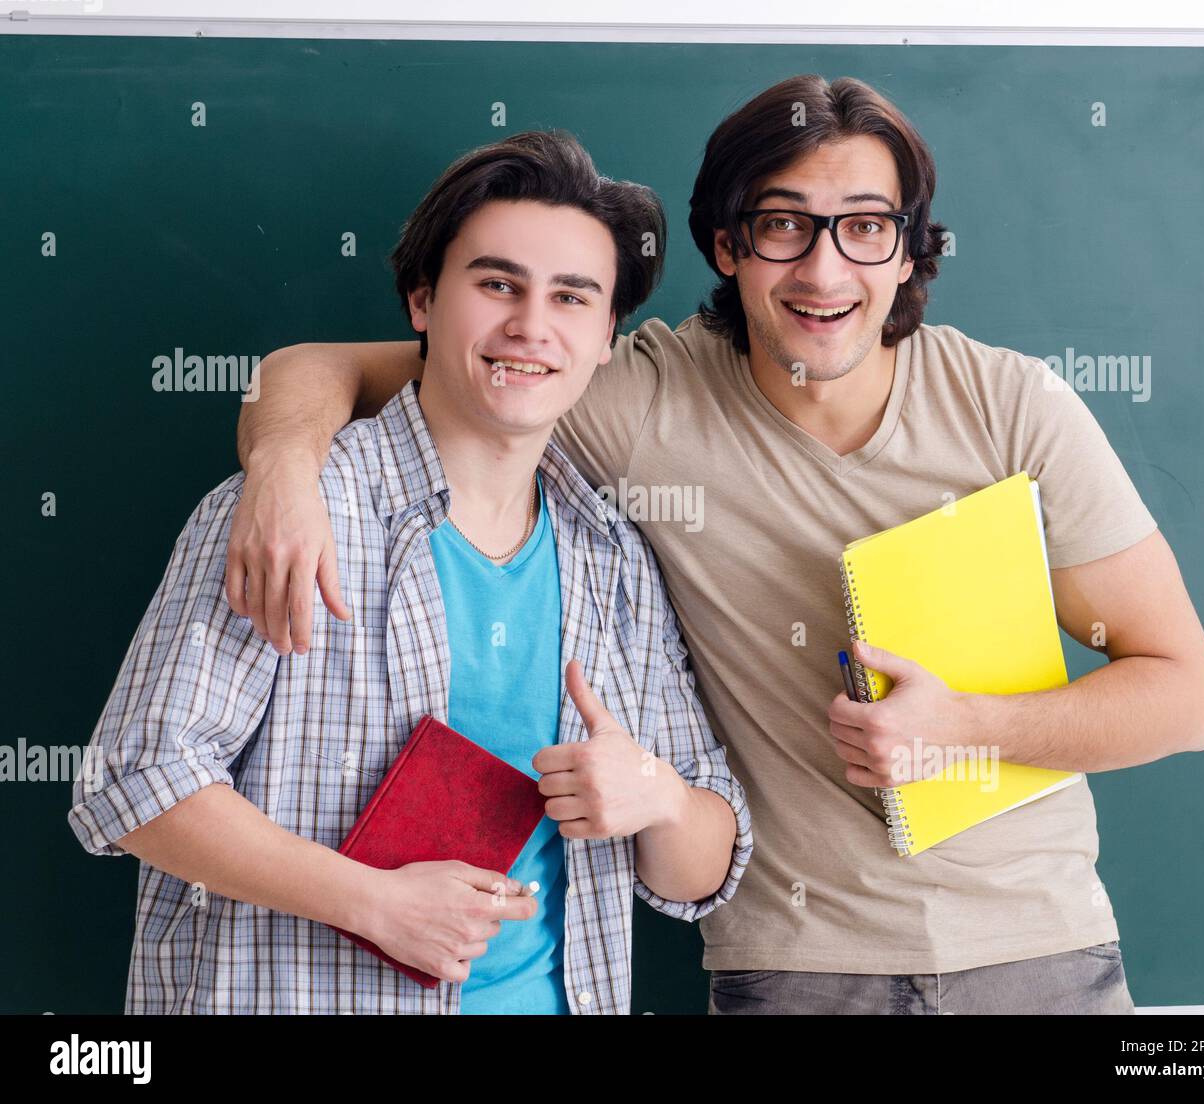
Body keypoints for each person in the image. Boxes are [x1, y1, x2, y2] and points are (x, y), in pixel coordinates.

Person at [225, 75, 1204, 1015]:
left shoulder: (1012, 409)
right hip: (791, 969)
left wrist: (967, 726)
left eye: (865, 228)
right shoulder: (632, 395)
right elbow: (315, 370)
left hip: (1036, 956)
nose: (823, 268)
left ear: (910, 250)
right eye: (783, 225)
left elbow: (1187, 696)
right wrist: (279, 476)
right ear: (725, 245)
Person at [68, 130, 752, 1015]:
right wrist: (374, 904)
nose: (531, 326)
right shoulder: (295, 513)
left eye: (572, 298)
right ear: (423, 301)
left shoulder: (613, 560)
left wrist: (655, 797)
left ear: (605, 344)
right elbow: (134, 779)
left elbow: (701, 871)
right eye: (497, 283)